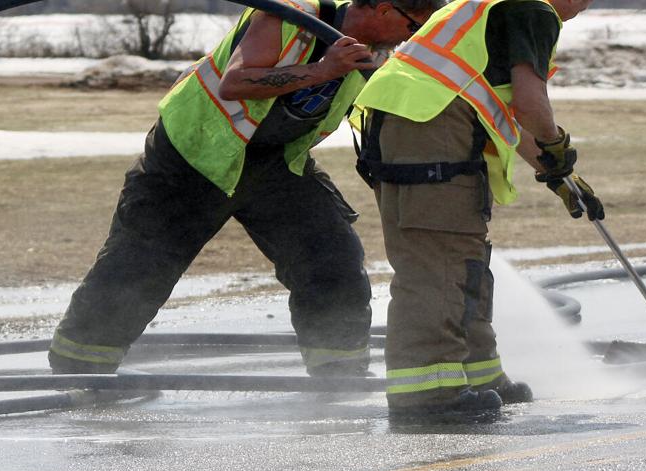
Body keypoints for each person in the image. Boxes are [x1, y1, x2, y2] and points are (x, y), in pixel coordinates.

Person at [48, 0, 441, 378]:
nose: (413, 36)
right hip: (198, 152)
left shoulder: (375, 55)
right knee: (141, 264)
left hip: (274, 162)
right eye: (413, 25)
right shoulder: (292, 17)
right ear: (385, 8)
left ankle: (338, 373)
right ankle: (79, 369)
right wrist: (324, 70)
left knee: (330, 257)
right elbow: (234, 82)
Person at [353, 0, 600, 421]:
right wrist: (557, 146)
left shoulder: (495, 10)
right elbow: (529, 101)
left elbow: (505, 115)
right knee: (439, 258)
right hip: (429, 122)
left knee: (462, 256)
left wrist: (555, 173)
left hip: (416, 119)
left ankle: (479, 373)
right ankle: (427, 395)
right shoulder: (532, 10)